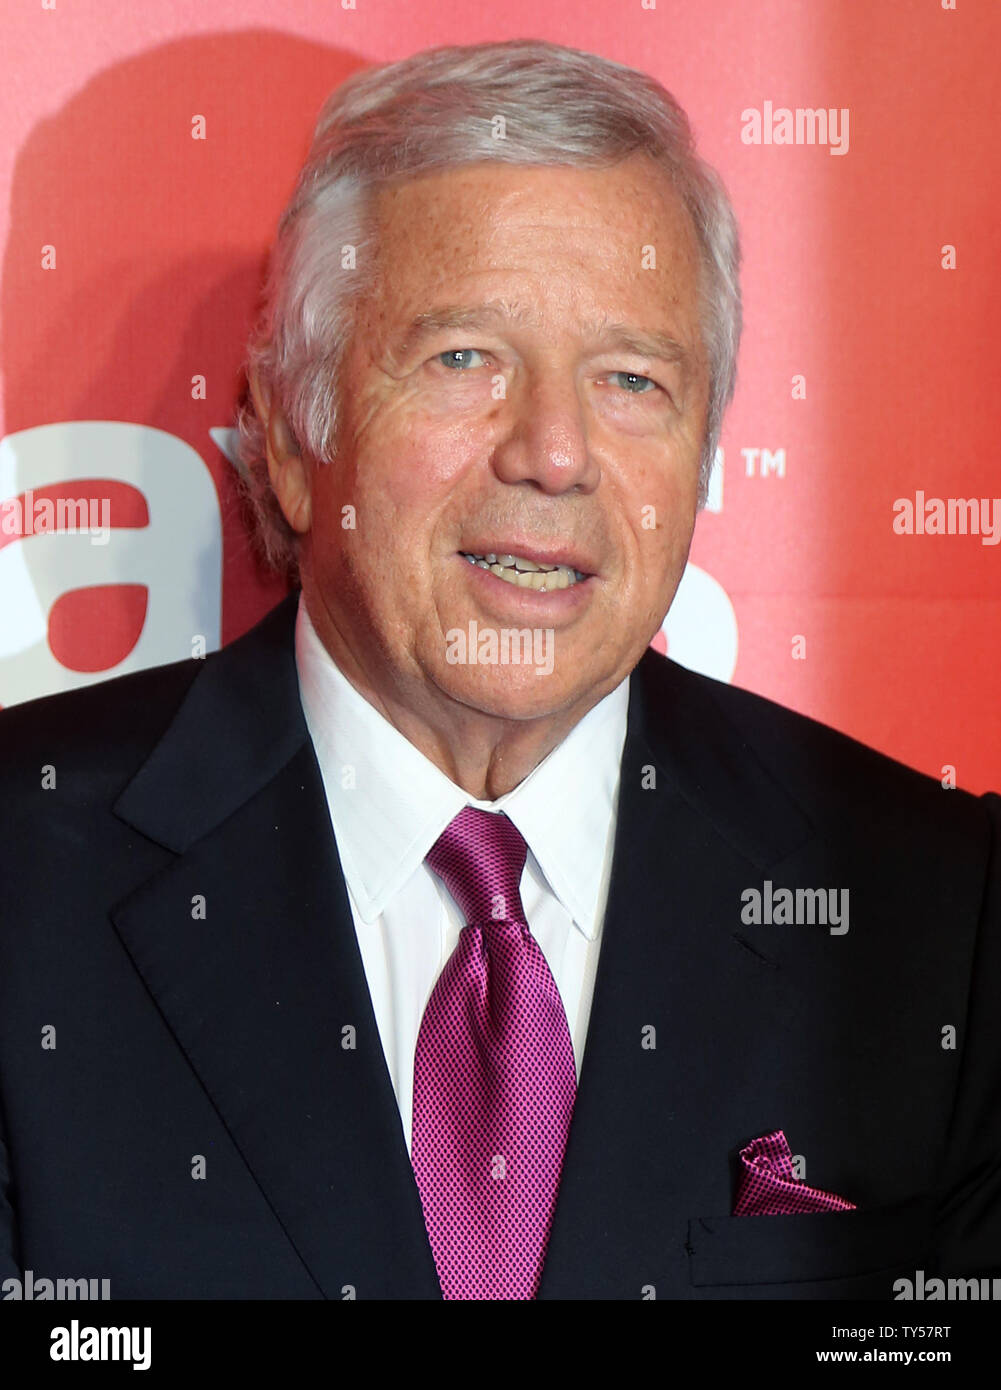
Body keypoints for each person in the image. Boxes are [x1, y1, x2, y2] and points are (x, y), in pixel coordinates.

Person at [1, 38, 999, 1302]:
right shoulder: (24, 876)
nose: (554, 452)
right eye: (463, 357)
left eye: (631, 379)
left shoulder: (934, 911)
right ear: (294, 441)